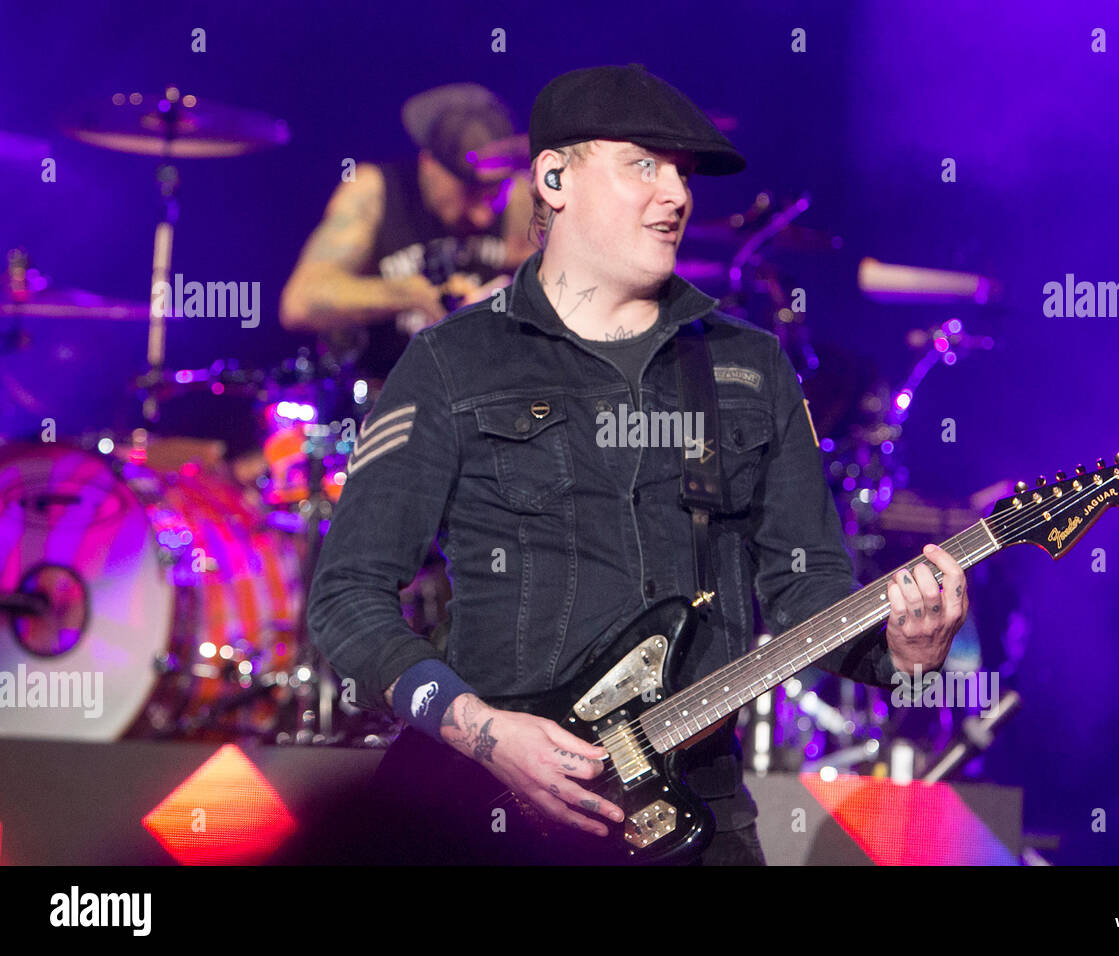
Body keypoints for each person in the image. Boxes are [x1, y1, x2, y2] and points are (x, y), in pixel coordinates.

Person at [307, 63, 968, 865]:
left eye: (683, 174)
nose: (677, 195)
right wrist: (483, 732)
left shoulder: (749, 366)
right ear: (553, 178)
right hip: (495, 810)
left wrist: (902, 654)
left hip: (700, 804)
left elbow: (807, 590)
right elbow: (347, 595)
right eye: (644, 165)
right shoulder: (453, 361)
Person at [280, 82, 535, 378]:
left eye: (494, 195)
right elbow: (299, 302)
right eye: (469, 193)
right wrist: (408, 294)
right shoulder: (375, 192)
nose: (483, 216)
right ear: (429, 164)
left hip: (490, 396)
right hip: (389, 397)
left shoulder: (520, 196)